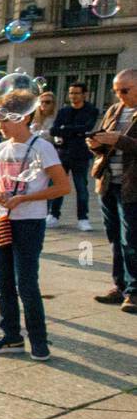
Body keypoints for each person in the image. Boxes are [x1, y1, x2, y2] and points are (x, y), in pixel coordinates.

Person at [0, 103, 71, 360]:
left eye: (6, 118)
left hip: (29, 221)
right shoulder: (0, 149)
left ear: (25, 117)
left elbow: (63, 186)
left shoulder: (42, 147)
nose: (1, 124)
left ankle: (39, 341)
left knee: (27, 283)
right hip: (1, 219)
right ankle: (11, 337)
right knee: (3, 282)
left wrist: (25, 199)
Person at [87, 68, 137, 313]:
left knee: (132, 240)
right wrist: (96, 144)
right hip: (108, 182)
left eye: (124, 90)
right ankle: (120, 285)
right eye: (116, 91)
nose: (120, 96)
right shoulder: (114, 110)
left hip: (132, 187)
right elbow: (105, 143)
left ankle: (134, 292)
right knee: (115, 237)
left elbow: (123, 143)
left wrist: (118, 140)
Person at [49, 81, 99, 231]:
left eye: (76, 93)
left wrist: (65, 129)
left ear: (84, 94)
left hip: (81, 154)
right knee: (58, 185)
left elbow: (87, 128)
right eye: (71, 93)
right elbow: (54, 130)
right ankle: (53, 215)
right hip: (63, 153)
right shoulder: (64, 111)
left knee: (81, 187)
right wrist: (73, 131)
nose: (73, 96)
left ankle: (83, 218)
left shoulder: (91, 110)